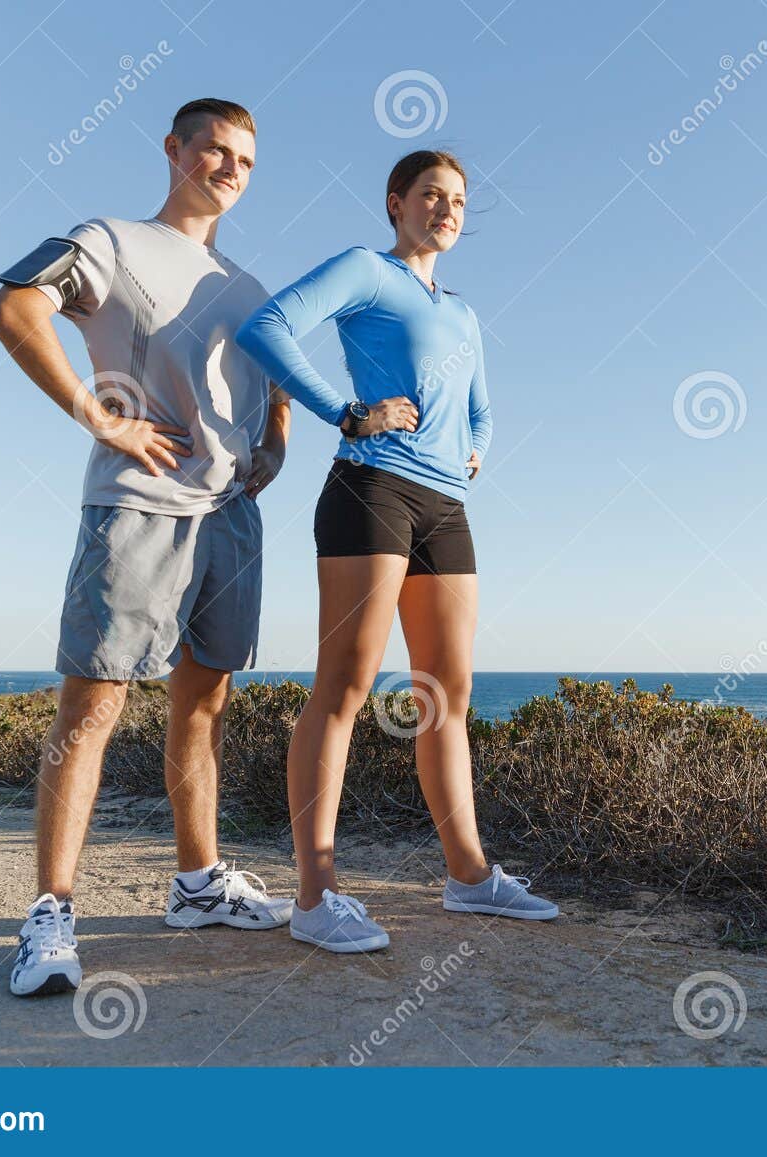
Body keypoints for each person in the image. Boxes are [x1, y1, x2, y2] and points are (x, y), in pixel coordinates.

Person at [0, 98, 295, 997]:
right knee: (91, 708)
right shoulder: (111, 239)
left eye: (245, 157)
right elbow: (13, 311)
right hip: (136, 505)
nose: (230, 167)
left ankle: (197, 884)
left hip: (229, 516)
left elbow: (272, 376)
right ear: (175, 150)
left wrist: (274, 442)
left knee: (203, 707)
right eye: (215, 149)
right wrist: (94, 411)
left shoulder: (249, 283)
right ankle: (49, 913)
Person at [236, 149, 557, 953]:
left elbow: (483, 408)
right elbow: (265, 327)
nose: (446, 209)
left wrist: (476, 446)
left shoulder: (463, 312)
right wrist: (345, 411)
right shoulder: (366, 272)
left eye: (456, 200)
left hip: (445, 504)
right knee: (344, 687)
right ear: (396, 203)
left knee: (446, 691)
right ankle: (315, 896)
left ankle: (470, 875)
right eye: (430, 195)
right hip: (369, 489)